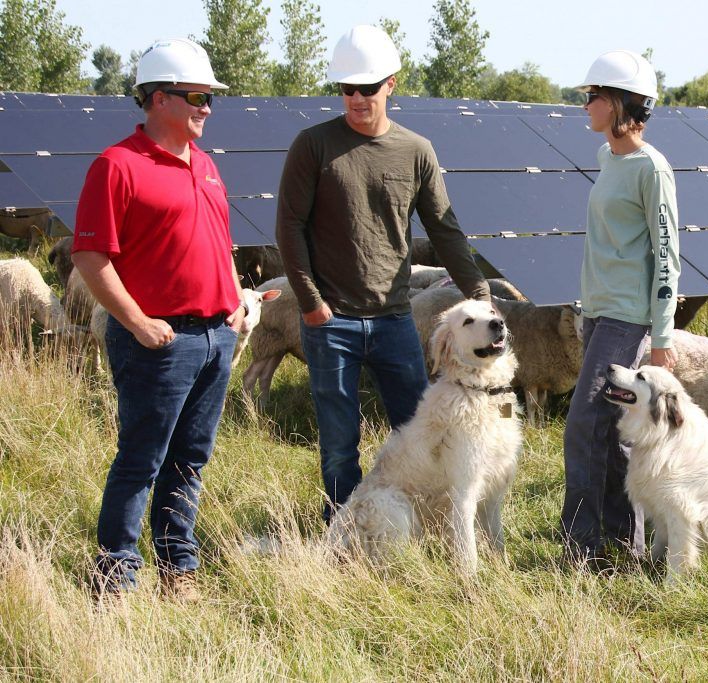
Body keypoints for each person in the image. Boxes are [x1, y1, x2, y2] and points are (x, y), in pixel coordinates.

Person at [276, 24, 490, 520]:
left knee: (418, 429)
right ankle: (344, 534)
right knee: (337, 444)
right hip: (332, 323)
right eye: (345, 89)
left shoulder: (416, 151)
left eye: (366, 88)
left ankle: (422, 523)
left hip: (395, 319)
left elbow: (444, 228)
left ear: (391, 83)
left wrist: (479, 293)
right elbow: (289, 226)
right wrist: (310, 304)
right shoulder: (313, 146)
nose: (355, 98)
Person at [72, 38, 244, 601]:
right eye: (196, 96)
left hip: (217, 335)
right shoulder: (116, 165)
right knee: (142, 458)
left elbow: (219, 244)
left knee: (190, 461)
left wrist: (237, 301)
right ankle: (115, 577)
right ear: (157, 99)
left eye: (210, 97)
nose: (207, 108)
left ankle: (179, 571)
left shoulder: (208, 166)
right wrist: (139, 322)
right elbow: (91, 256)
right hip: (159, 340)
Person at [561, 50, 681, 566]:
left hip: (628, 317)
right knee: (609, 434)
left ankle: (580, 548)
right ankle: (620, 548)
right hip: (597, 312)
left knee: (583, 424)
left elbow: (667, 255)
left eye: (593, 96)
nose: (585, 104)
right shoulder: (607, 159)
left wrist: (663, 337)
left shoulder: (651, 169)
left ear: (620, 103)